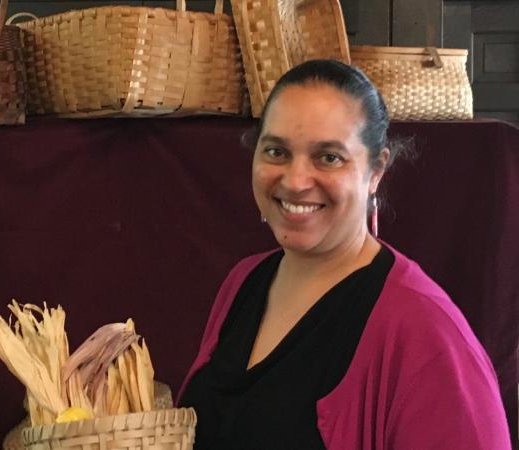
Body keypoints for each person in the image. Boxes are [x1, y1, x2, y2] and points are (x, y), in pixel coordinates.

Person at [177, 60, 511, 449]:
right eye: (277, 151)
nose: (296, 181)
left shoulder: (427, 332)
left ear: (376, 171)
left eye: (329, 157)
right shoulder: (242, 282)